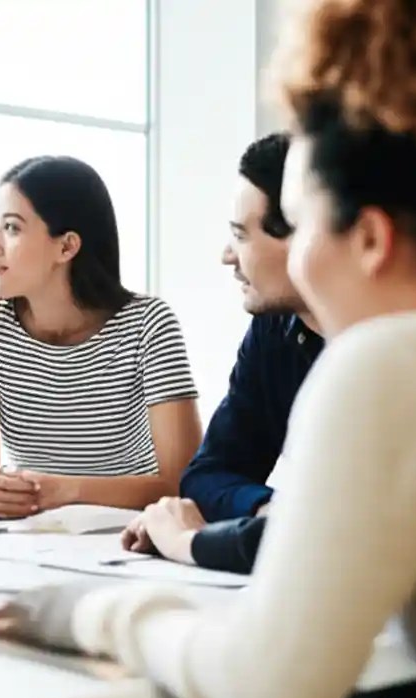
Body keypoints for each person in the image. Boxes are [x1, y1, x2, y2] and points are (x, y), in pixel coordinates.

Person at [0, 1, 416, 698]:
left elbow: (268, 689)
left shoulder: (391, 365)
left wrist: (96, 614)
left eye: (305, 222)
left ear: (370, 239)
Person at [0, 156, 203, 517]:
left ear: (67, 247)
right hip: (29, 535)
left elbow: (183, 480)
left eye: (11, 228)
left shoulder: (149, 324)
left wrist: (68, 489)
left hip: (131, 533)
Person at [123, 132, 323, 575]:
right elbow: (208, 474)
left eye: (240, 235)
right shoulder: (274, 331)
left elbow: (338, 547)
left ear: (306, 238)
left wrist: (189, 542)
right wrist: (270, 511)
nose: (227, 257)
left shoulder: (393, 353)